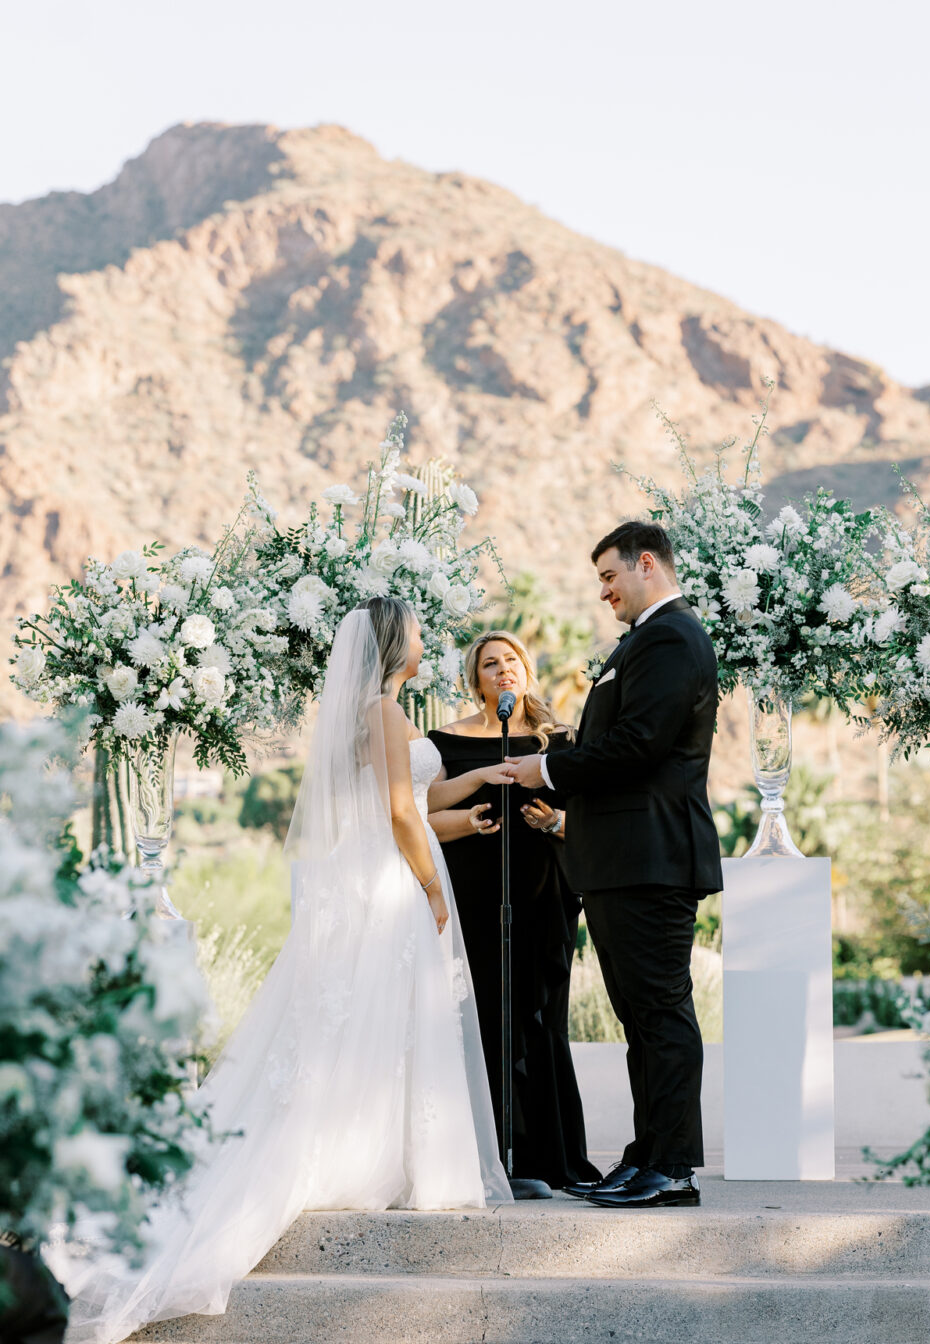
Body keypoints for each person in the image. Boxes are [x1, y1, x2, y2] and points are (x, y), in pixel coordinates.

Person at [60, 599, 509, 1344]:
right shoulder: (388, 712)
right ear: (397, 643)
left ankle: (378, 1150)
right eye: (419, 633)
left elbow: (411, 800)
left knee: (367, 1016)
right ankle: (388, 1161)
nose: (427, 643)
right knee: (395, 1015)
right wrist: (433, 885)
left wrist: (474, 787)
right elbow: (403, 814)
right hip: (395, 877)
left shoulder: (371, 712)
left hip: (367, 870)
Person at [505, 522, 720, 1208]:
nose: (603, 592)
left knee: (659, 1013)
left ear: (645, 564)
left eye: (608, 577)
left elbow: (639, 745)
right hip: (623, 861)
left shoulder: (672, 638)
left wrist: (543, 768)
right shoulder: (643, 642)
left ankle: (674, 1166)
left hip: (651, 858)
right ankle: (647, 1153)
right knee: (640, 1019)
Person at [428, 631, 599, 1190]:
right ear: (474, 680)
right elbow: (421, 807)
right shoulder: (445, 742)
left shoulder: (563, 741)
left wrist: (553, 822)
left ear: (526, 671)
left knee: (538, 1015)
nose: (503, 670)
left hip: (543, 893)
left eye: (511, 661)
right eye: (489, 664)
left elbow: (593, 827)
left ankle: (549, 1158)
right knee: (476, 1016)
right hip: (470, 895)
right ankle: (487, 1156)